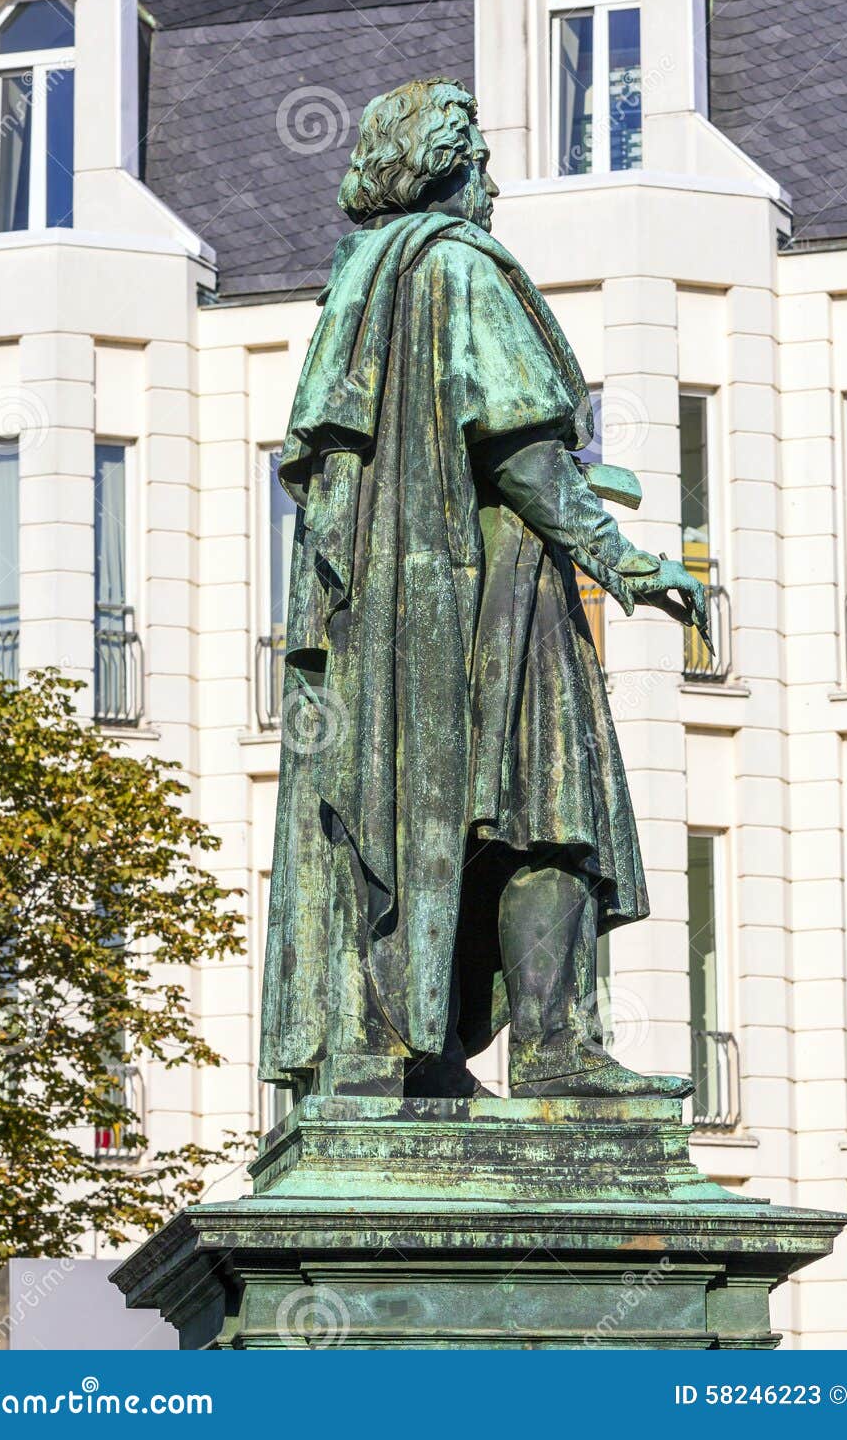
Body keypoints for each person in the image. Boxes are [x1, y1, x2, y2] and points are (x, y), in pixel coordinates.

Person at [259, 78, 708, 1099]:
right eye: (481, 162)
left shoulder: (363, 283)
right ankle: (559, 1050)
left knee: (432, 819)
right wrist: (629, 562)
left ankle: (410, 1051)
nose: (495, 184)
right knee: (549, 803)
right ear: (447, 166)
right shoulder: (456, 265)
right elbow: (519, 451)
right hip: (499, 591)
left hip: (400, 625)